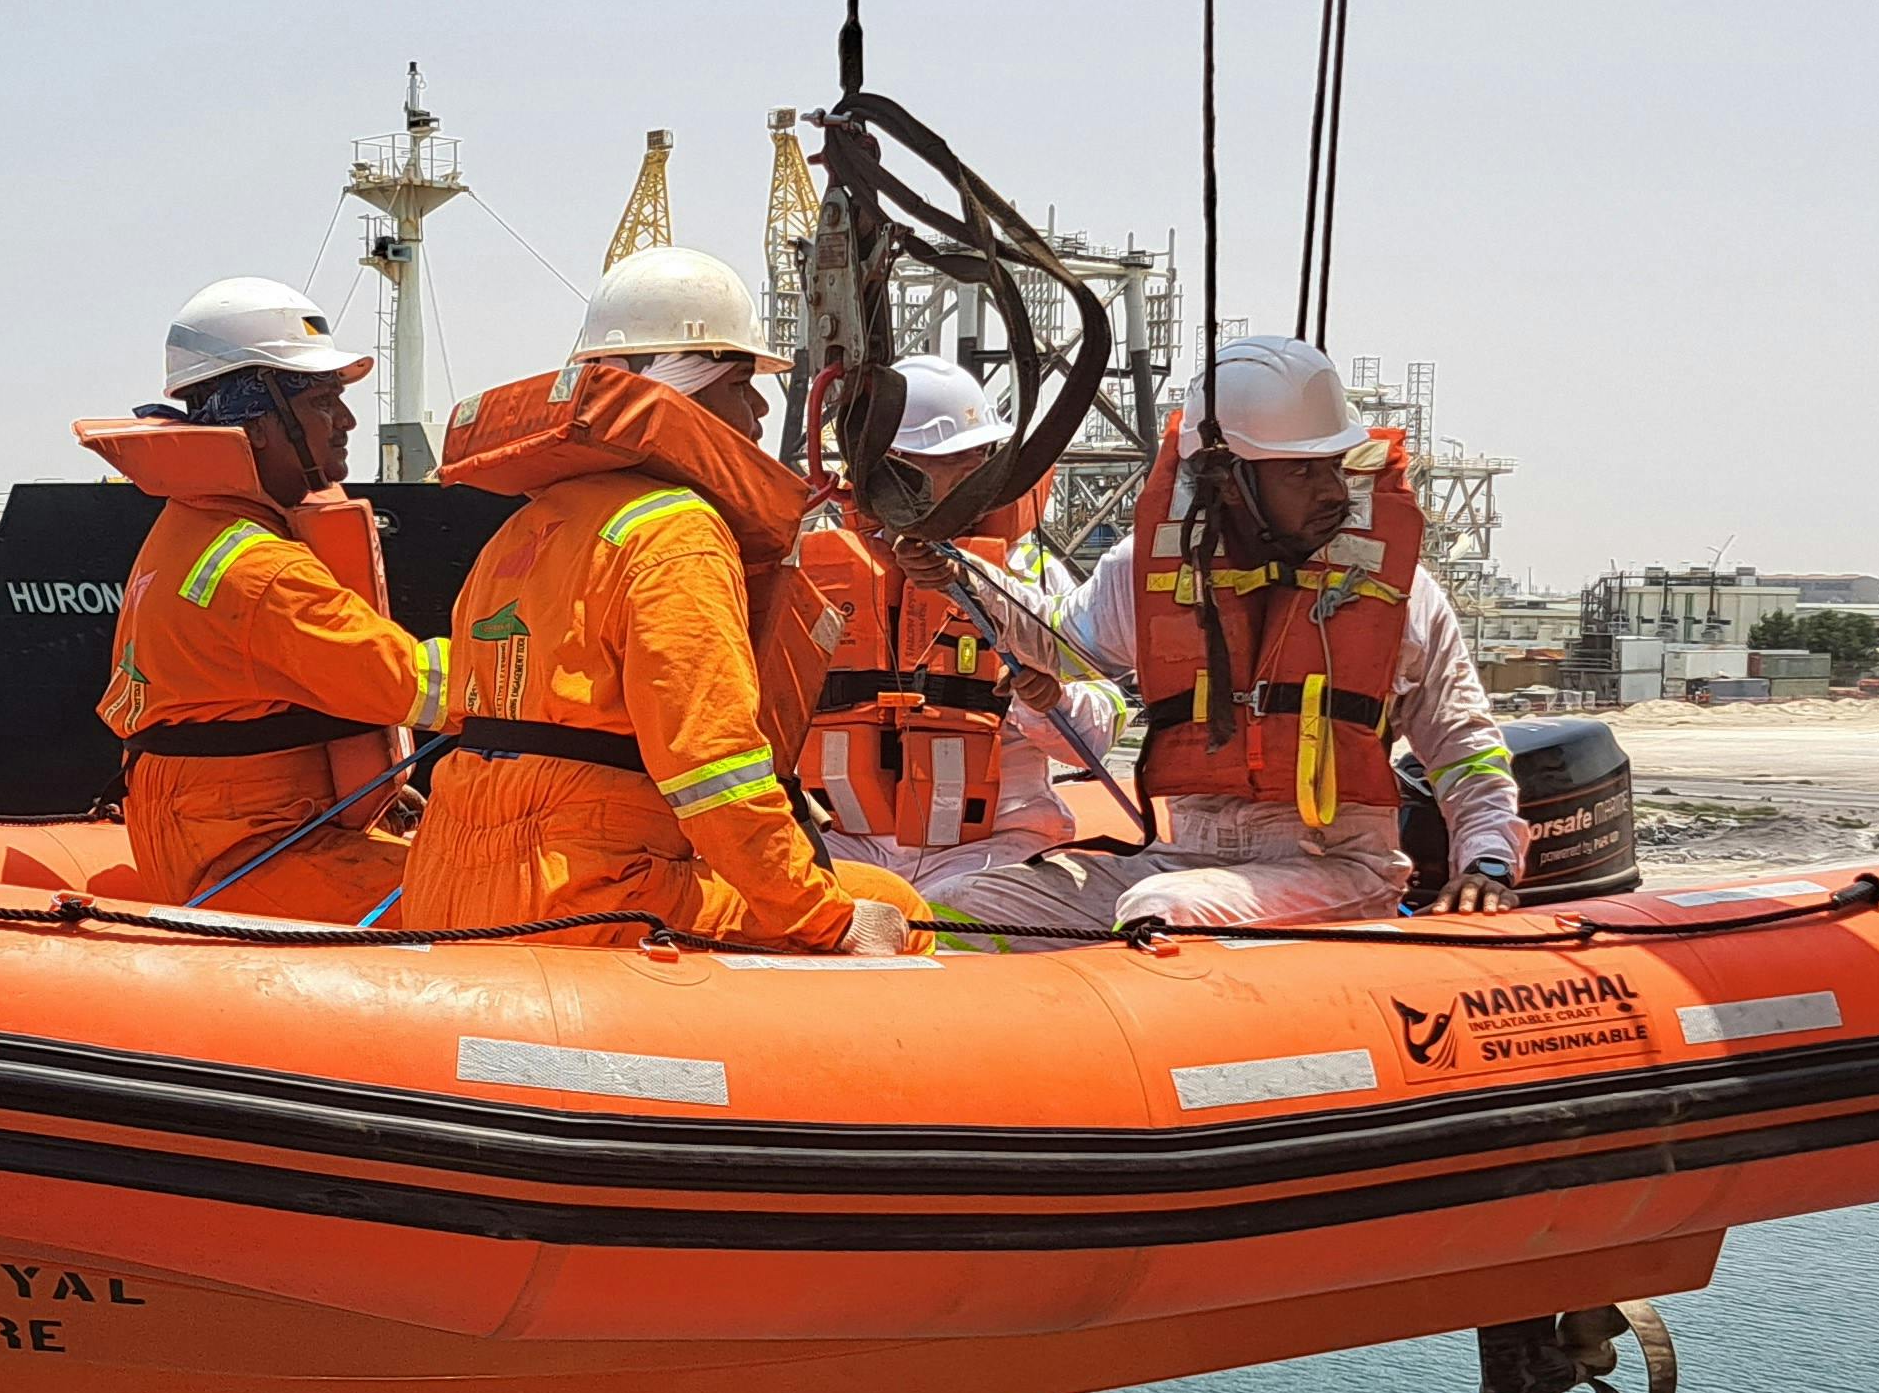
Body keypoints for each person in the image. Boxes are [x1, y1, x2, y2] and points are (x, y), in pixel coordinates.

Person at [399, 245, 916, 956]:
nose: (763, 408)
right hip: (589, 898)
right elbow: (713, 767)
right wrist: (826, 920)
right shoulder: (676, 532)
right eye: (741, 382)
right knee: (897, 907)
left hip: (448, 890)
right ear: (683, 392)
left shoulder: (522, 531)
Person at [920, 334, 1519, 936]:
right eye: (1302, 472)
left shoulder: (1397, 592)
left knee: (1166, 910)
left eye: (1336, 467)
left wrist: (1488, 860)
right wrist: (954, 573)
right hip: (1183, 854)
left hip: (1332, 864)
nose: (1331, 492)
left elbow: (1464, 745)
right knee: (959, 900)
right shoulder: (1147, 572)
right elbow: (1058, 645)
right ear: (1226, 478)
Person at [93, 277, 446, 922]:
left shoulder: (187, 530)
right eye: (322, 400)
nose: (346, 420)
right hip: (254, 854)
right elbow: (410, 682)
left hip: (221, 834)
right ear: (256, 421)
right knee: (488, 900)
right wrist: (540, 669)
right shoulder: (258, 570)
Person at [797, 357, 1082, 890]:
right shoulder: (816, 577)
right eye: (958, 458)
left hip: (996, 849)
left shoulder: (1031, 576)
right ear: (890, 470)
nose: (983, 474)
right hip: (848, 842)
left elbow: (1103, 723)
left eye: (985, 455)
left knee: (955, 910)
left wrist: (1051, 702)